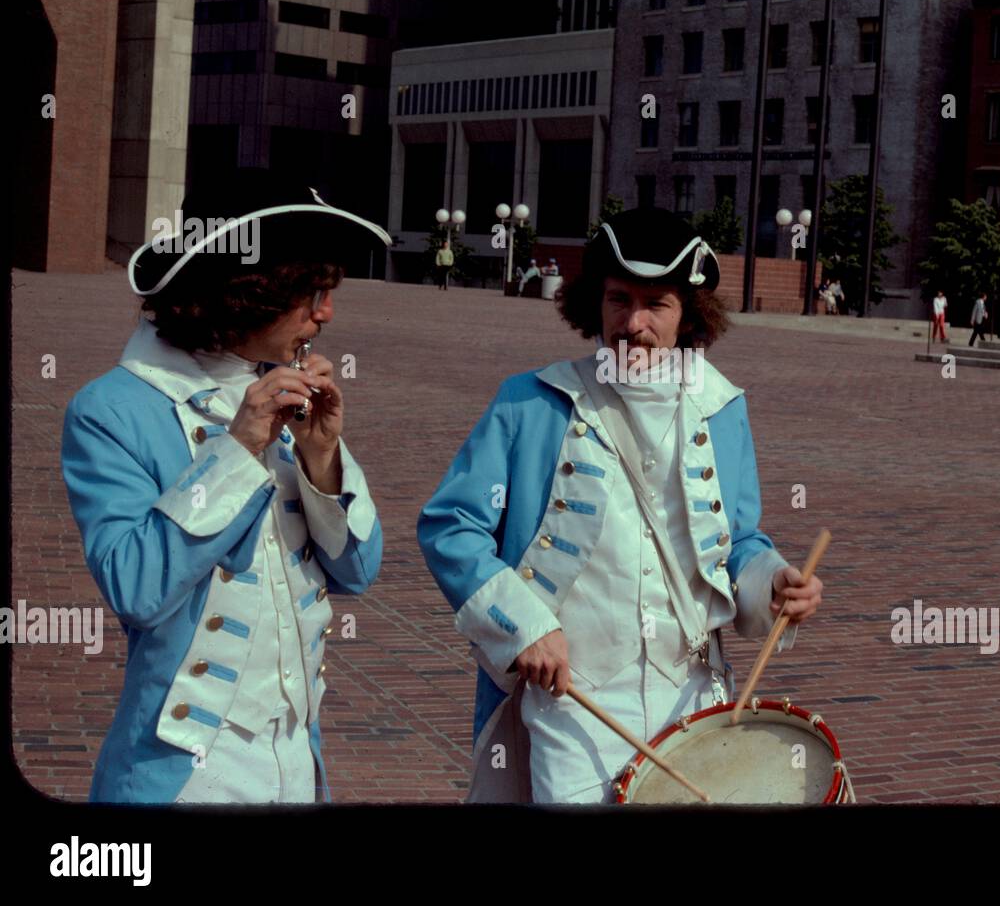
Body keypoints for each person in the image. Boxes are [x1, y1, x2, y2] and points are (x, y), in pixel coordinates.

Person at [417, 207, 824, 803]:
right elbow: (451, 527)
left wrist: (775, 584)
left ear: (688, 314)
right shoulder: (532, 402)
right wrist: (523, 626)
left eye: (655, 303)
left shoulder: (720, 406)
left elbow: (738, 541)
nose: (632, 323)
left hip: (690, 697)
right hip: (573, 706)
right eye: (617, 298)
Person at [60, 170, 387, 803]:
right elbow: (135, 587)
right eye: (312, 291)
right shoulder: (112, 409)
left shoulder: (281, 387)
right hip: (182, 776)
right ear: (248, 291)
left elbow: (358, 572)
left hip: (297, 763)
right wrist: (236, 451)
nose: (327, 312)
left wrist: (323, 460)